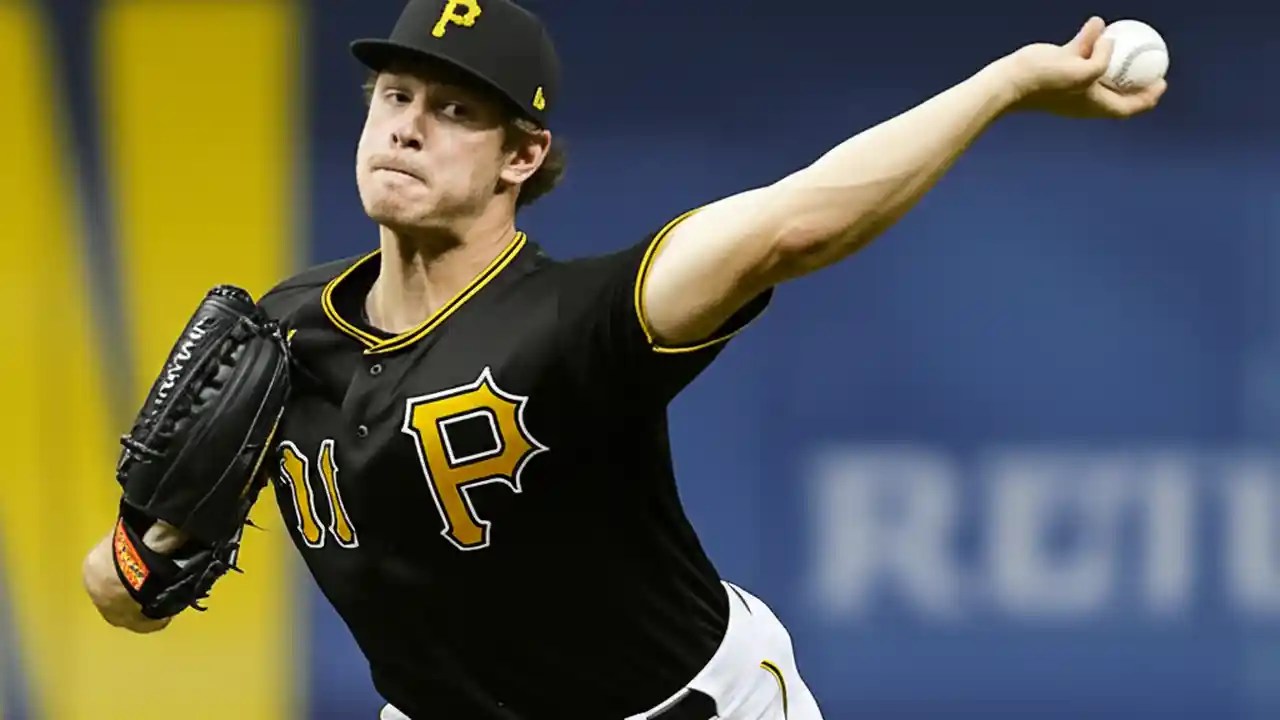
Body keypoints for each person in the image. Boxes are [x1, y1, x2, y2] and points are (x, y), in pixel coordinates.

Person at [81, 0, 1165, 717]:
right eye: (395, 97)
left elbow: (793, 225)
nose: (407, 128)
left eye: (455, 111)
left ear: (522, 155)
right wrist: (145, 556)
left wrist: (1006, 83)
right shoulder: (283, 333)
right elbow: (121, 593)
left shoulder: (575, 320)